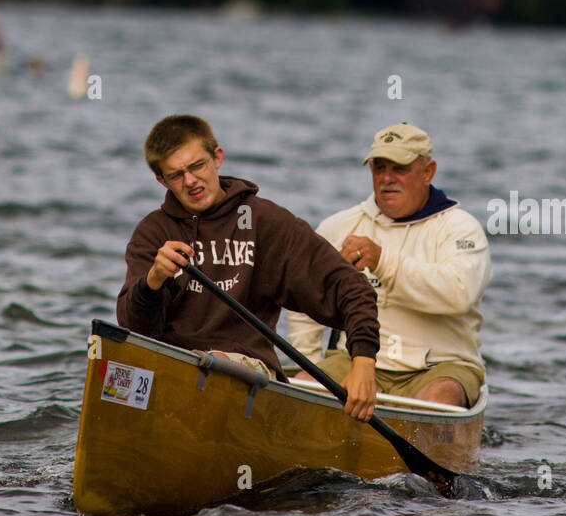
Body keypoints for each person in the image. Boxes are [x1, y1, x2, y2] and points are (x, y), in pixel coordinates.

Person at [117, 114, 380, 419]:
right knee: (110, 361)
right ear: (161, 180)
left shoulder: (266, 222)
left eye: (197, 166)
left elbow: (352, 288)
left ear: (218, 158)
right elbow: (133, 328)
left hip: (243, 368)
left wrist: (363, 362)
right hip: (172, 367)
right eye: (176, 175)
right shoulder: (152, 233)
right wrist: (152, 281)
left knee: (210, 365)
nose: (190, 181)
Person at [287, 124, 491, 407]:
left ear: (428, 171)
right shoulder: (338, 226)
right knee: (306, 389)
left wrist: (383, 262)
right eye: (379, 167)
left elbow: (458, 295)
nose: (386, 178)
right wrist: (308, 363)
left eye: (400, 168)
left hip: (441, 367)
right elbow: (302, 296)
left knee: (440, 396)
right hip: (354, 361)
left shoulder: (462, 228)